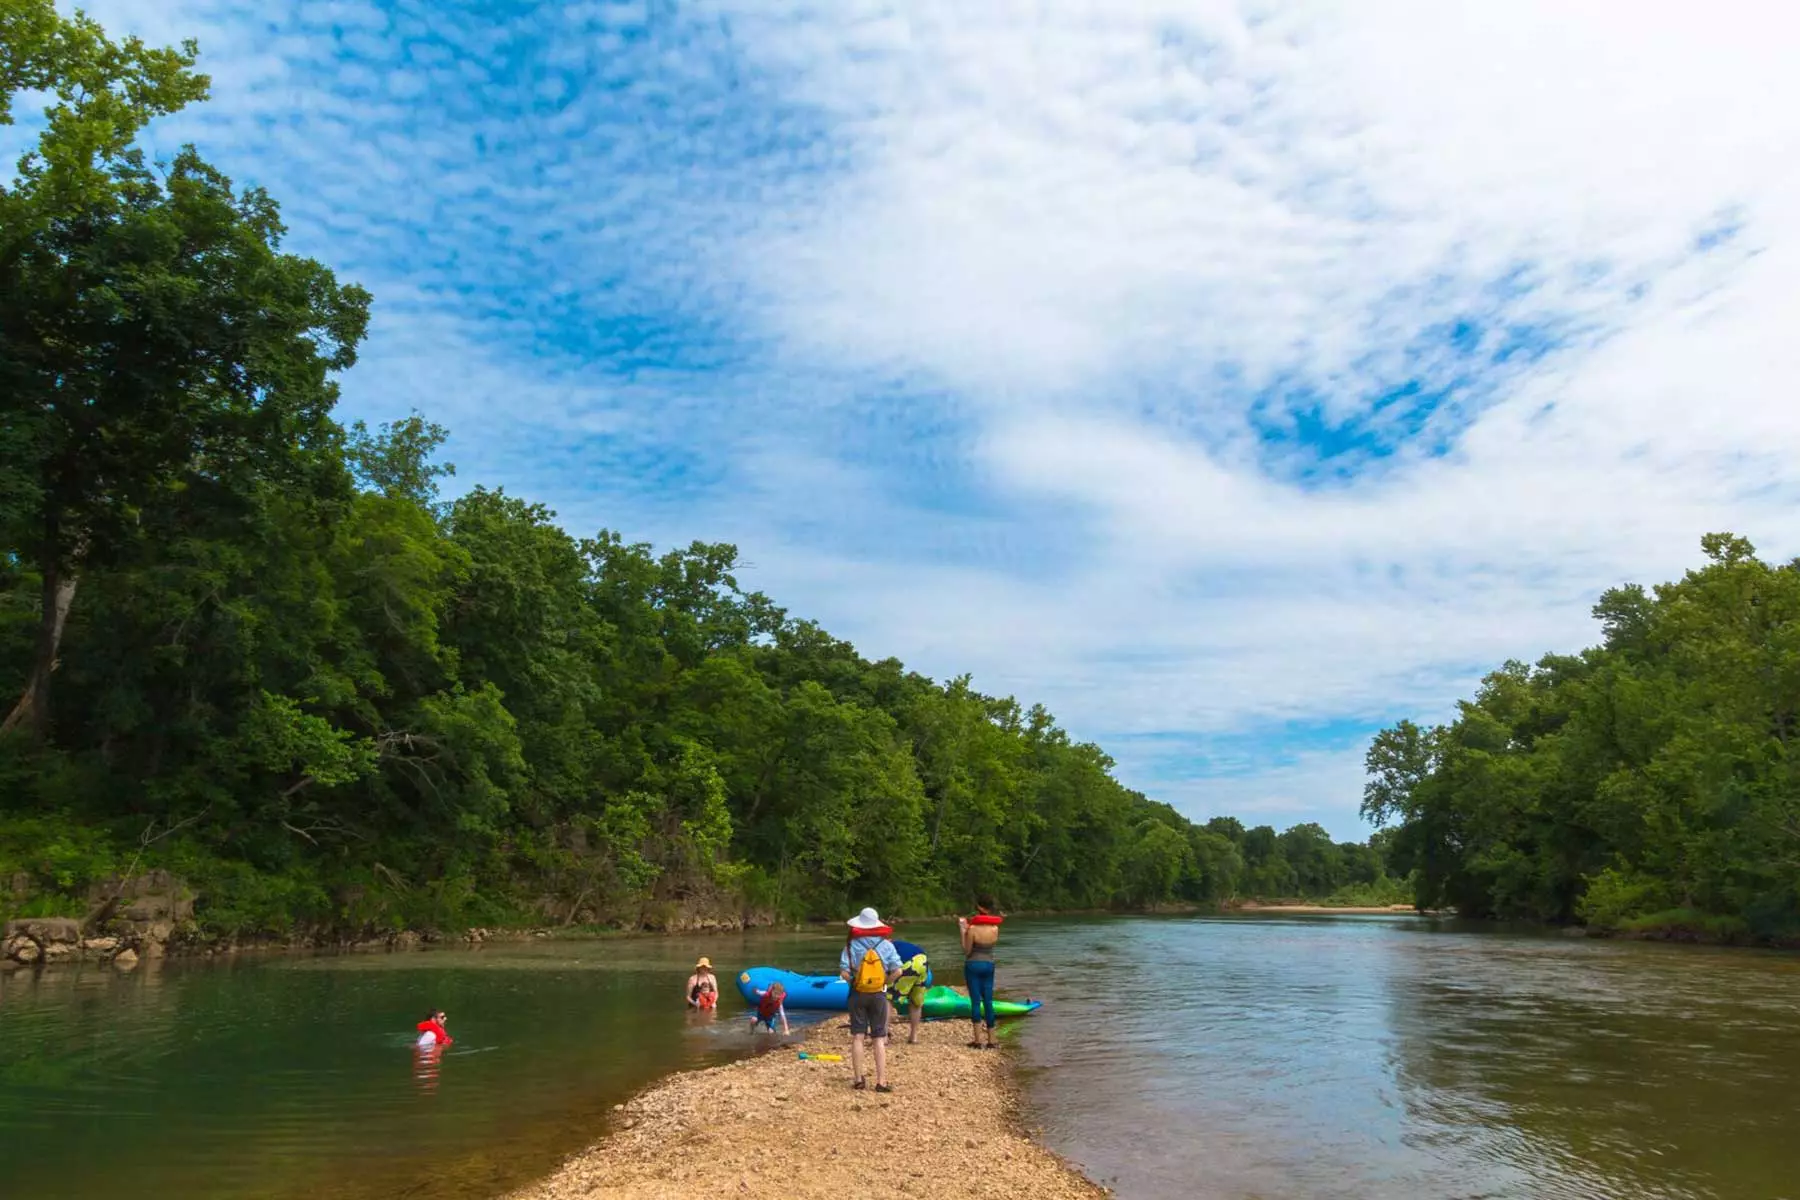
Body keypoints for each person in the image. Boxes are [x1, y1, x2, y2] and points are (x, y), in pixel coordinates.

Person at [838, 906, 903, 1092]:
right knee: (878, 1037)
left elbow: (843, 972)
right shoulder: (886, 945)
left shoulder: (851, 945)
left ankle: (858, 1079)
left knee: (858, 1036)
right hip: (878, 995)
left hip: (857, 994)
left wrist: (854, 982)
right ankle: (881, 1081)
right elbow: (898, 970)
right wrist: (885, 983)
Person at [959, 897, 1003, 1049]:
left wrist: (962, 931)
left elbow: (967, 951)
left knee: (976, 1002)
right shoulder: (995, 929)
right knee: (988, 1001)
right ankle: (992, 1040)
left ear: (978, 907)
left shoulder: (972, 929)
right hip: (989, 965)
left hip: (973, 965)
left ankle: (978, 1040)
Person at [886, 943, 929, 1045]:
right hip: (923, 960)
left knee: (887, 997)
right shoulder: (896, 944)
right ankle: (913, 1036)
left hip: (907, 963)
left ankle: (883, 1035)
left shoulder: (882, 948)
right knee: (916, 1000)